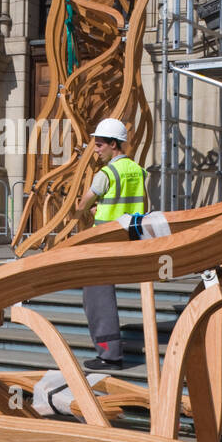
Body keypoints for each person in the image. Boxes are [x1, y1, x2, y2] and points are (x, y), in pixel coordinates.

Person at [71, 117, 145, 371]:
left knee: (96, 298)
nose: (96, 149)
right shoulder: (136, 170)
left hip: (104, 242)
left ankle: (109, 354)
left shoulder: (107, 173)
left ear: (114, 144)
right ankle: (109, 352)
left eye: (100, 144)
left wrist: (77, 215)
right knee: (102, 295)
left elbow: (83, 203)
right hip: (130, 240)